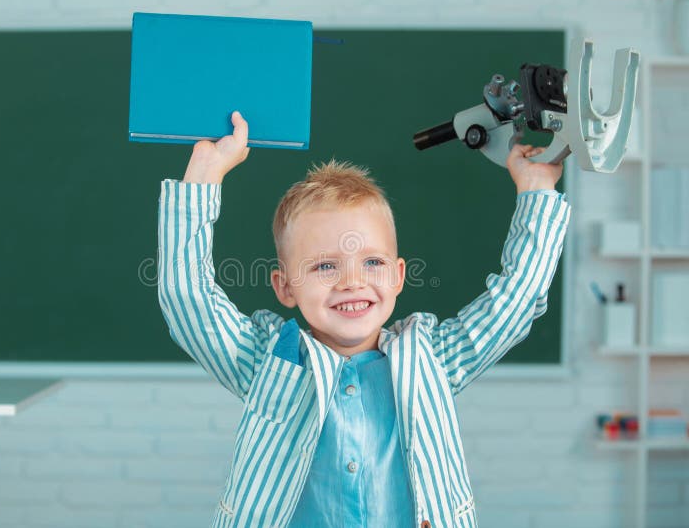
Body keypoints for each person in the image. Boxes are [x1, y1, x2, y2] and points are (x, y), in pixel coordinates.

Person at [157, 111, 571, 528]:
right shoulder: (267, 360)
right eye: (324, 267)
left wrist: (536, 189)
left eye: (372, 262)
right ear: (285, 288)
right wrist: (204, 175)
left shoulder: (432, 358)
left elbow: (515, 300)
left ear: (397, 277)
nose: (352, 282)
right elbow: (188, 299)